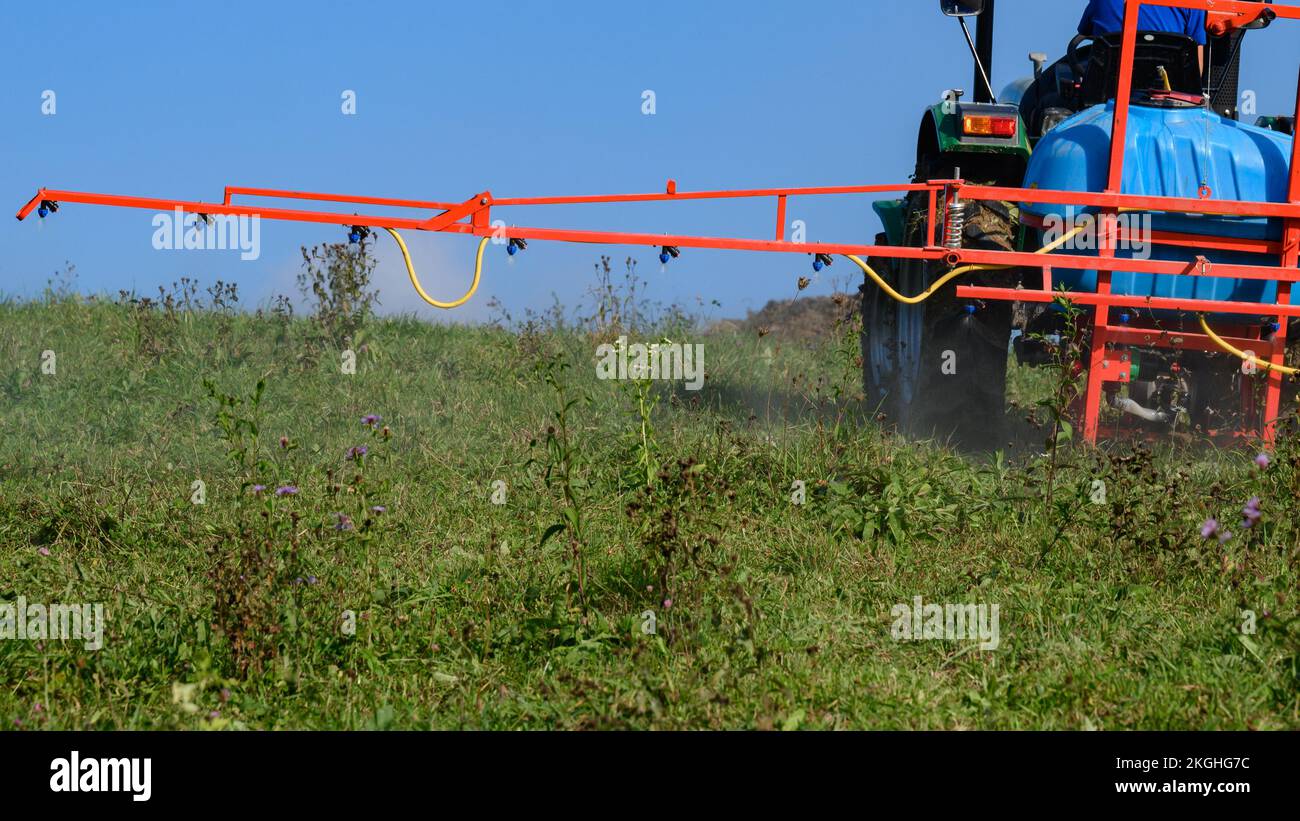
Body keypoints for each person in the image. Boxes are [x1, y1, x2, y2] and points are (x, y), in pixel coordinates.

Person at [1078, 0, 1206, 69]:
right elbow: (1196, 68)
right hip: (1169, 97)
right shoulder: (1193, 3)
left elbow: (1085, 31)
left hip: (1107, 94)